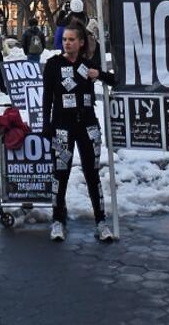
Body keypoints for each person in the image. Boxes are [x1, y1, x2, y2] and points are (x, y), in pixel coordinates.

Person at [41, 23, 117, 243]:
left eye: (71, 39)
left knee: (92, 173)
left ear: (81, 42)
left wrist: (99, 74)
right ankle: (58, 220)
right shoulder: (54, 64)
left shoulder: (87, 65)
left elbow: (114, 80)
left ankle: (101, 221)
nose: (67, 43)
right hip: (62, 126)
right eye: (65, 39)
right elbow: (47, 97)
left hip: (87, 125)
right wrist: (46, 124)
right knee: (60, 173)